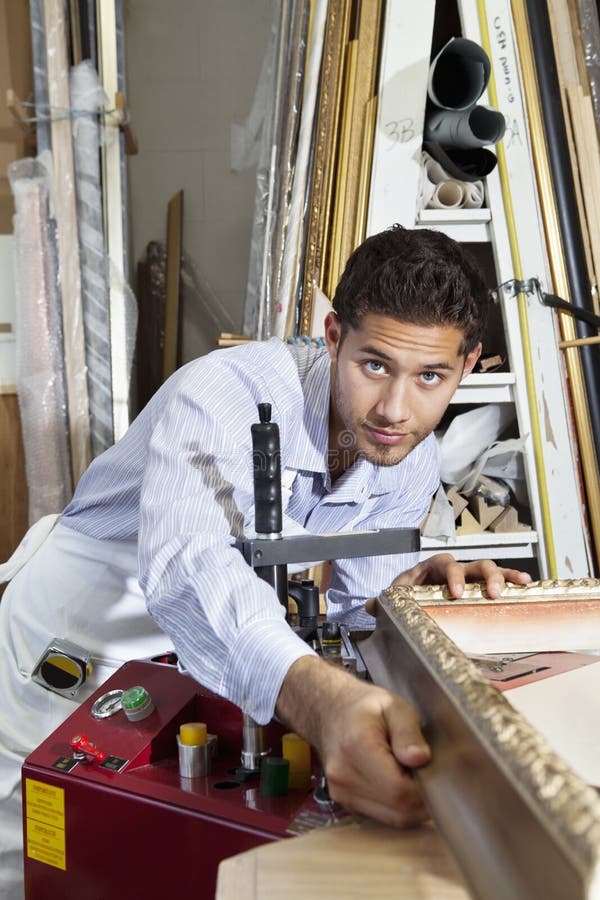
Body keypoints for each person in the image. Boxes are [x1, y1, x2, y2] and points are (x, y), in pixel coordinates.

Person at [0, 224, 531, 897]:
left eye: (431, 376)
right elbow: (192, 570)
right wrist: (315, 695)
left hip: (223, 637)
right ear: (335, 336)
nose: (397, 408)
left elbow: (352, 610)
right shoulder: (223, 394)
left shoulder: (408, 452)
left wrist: (412, 601)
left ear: (470, 363)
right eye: (374, 365)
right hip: (86, 625)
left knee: (146, 849)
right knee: (41, 841)